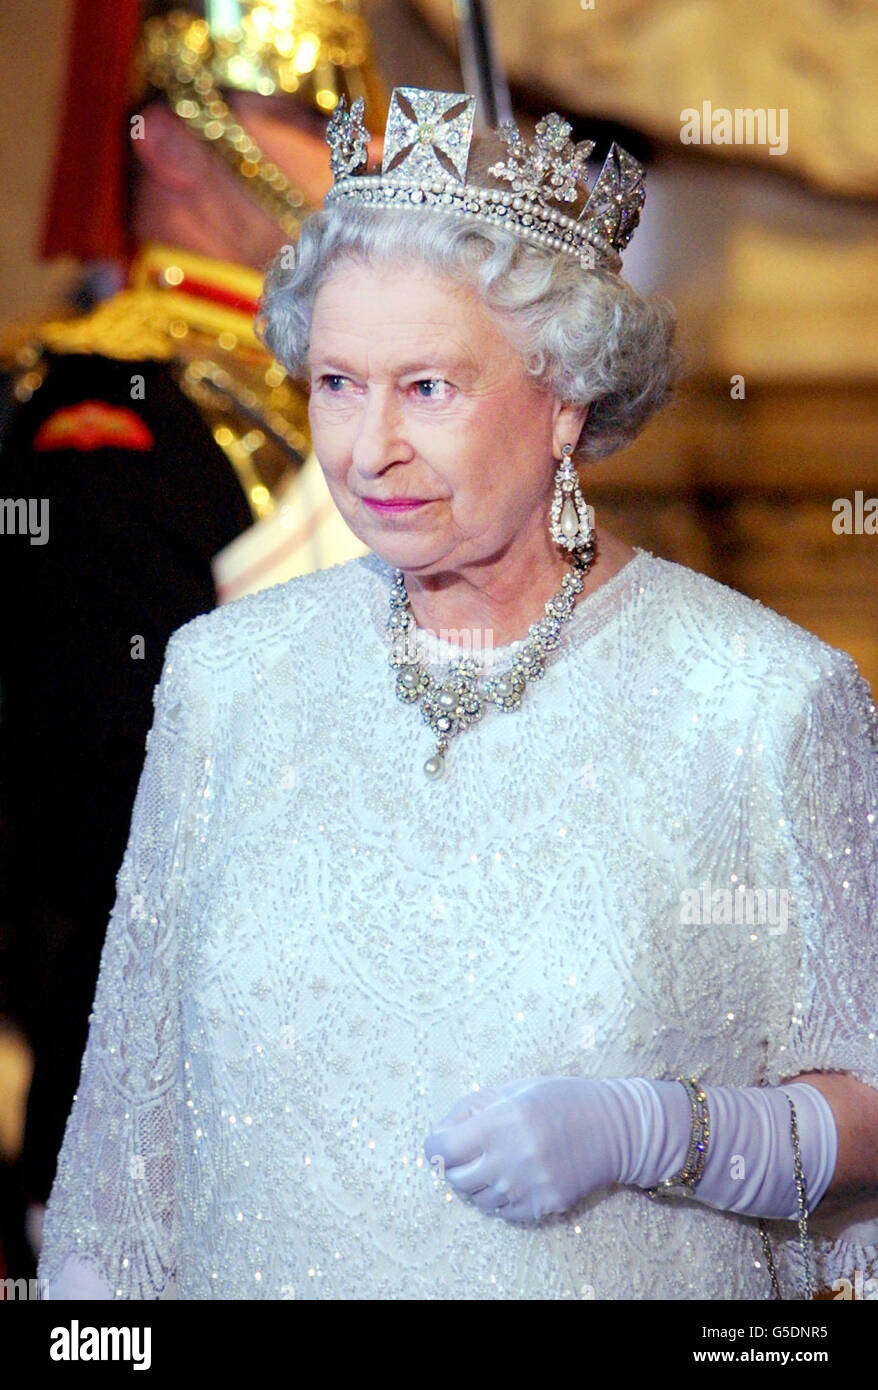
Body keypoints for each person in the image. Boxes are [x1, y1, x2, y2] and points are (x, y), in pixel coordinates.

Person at [38, 87, 877, 1300]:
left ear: (565, 399)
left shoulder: (761, 702)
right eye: (334, 383)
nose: (365, 448)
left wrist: (663, 1130)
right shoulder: (225, 681)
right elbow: (125, 1148)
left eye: (426, 388)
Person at [0, 0, 383, 1265]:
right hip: (172, 1106)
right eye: (295, 117)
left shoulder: (348, 391)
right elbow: (92, 807)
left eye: (344, 119)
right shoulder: (110, 412)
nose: (340, 158)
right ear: (168, 137)